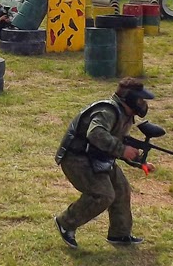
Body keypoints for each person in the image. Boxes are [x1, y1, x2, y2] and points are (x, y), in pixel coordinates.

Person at [53, 78, 157, 248]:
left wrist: (140, 162)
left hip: (98, 157)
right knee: (103, 194)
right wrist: (122, 149)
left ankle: (120, 234)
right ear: (130, 99)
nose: (143, 104)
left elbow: (115, 142)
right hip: (77, 159)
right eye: (140, 99)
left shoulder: (124, 114)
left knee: (121, 189)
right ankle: (65, 223)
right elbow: (96, 134)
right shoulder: (107, 111)